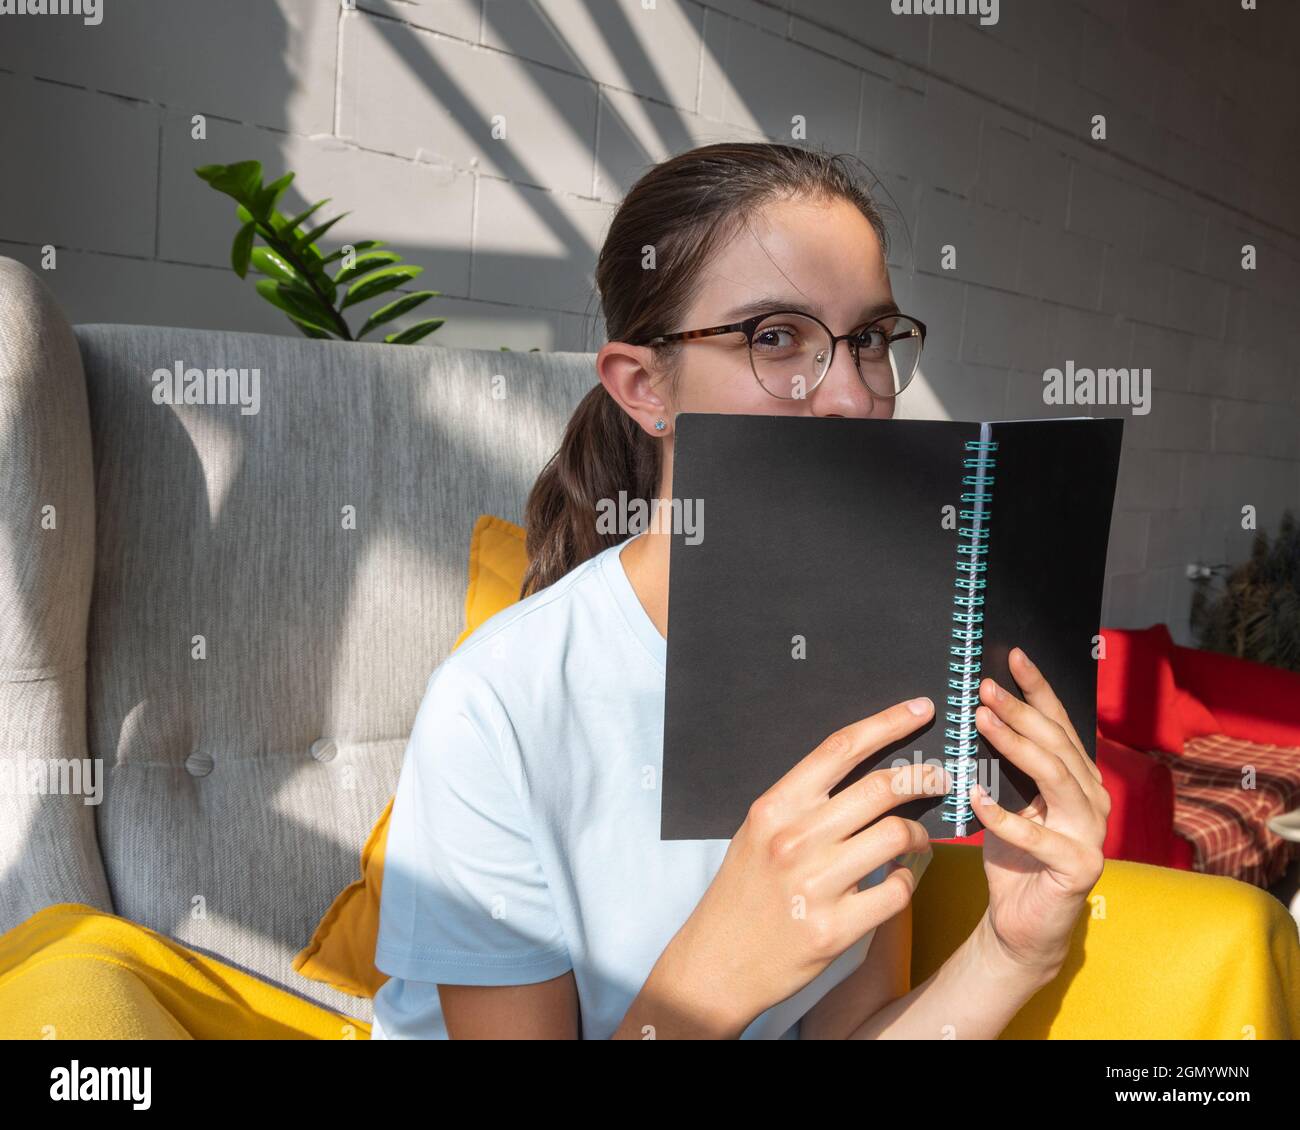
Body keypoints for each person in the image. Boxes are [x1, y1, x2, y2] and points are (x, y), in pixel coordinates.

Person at [369, 142, 1109, 1039]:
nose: (849, 394)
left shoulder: (878, 664)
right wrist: (721, 968)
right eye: (773, 337)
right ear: (646, 387)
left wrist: (1012, 949)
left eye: (869, 339)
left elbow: (845, 1030)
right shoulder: (497, 706)